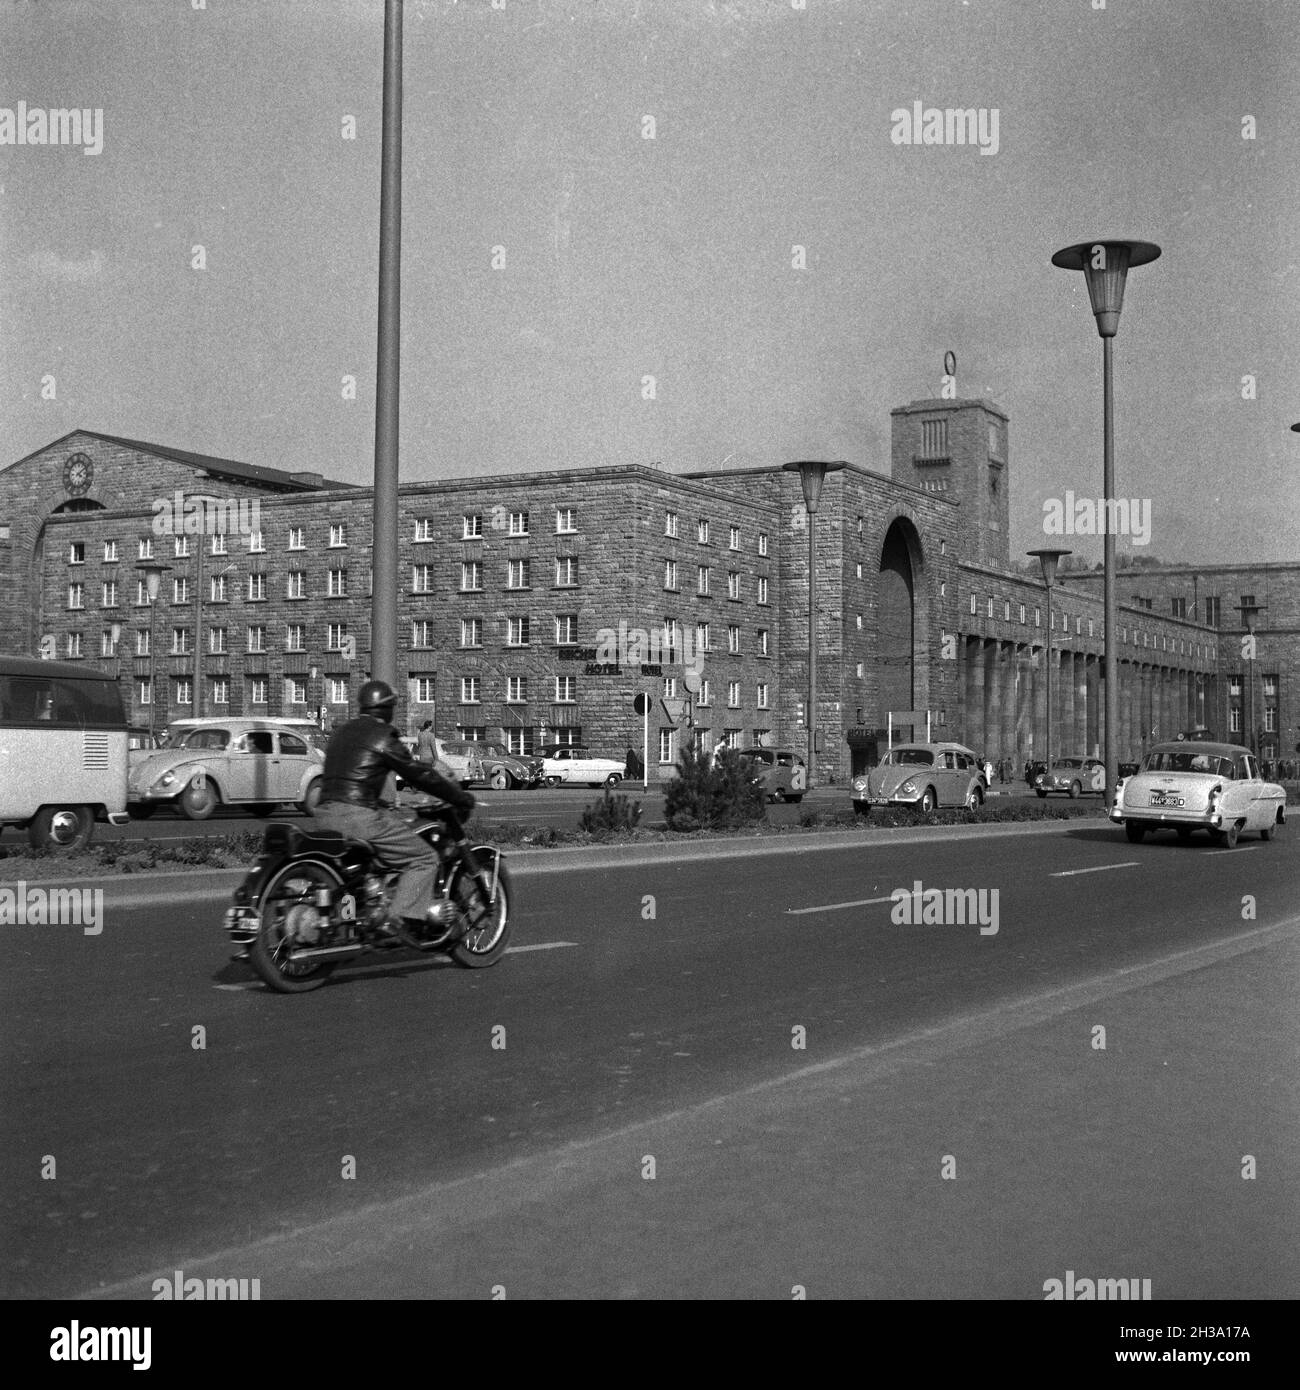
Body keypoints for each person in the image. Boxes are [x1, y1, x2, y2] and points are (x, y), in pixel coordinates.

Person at [314, 680, 475, 934]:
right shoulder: (383, 736)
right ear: (387, 708)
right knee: (424, 858)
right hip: (359, 817)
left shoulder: (342, 732)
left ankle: (352, 921)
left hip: (323, 815)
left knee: (357, 872)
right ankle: (397, 919)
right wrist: (459, 797)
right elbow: (418, 774)